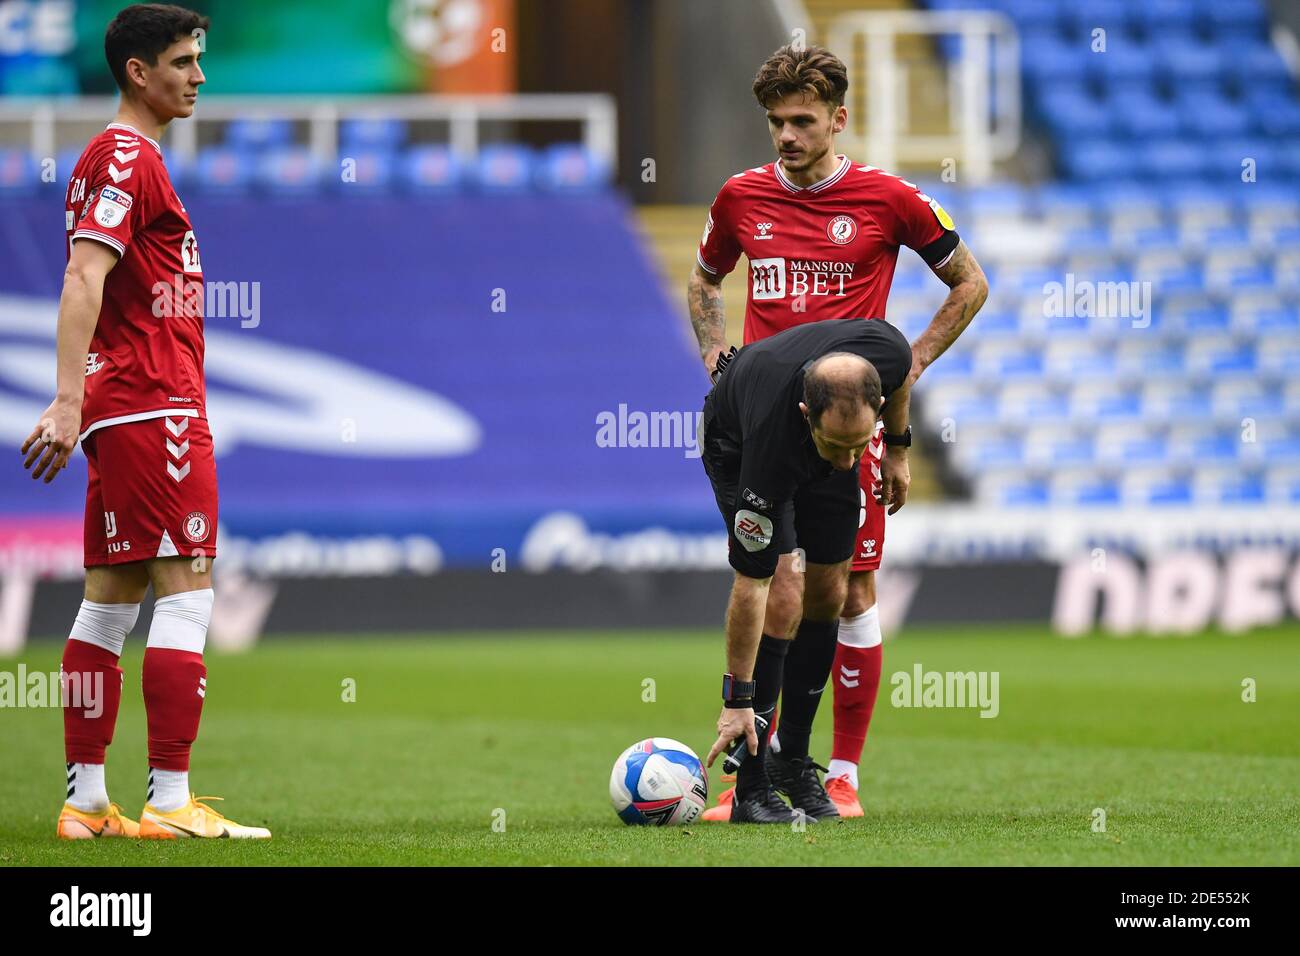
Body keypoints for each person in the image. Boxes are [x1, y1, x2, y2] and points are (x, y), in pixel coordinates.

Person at [688, 44, 988, 818]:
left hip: (846, 429)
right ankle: (760, 772)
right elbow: (704, 279)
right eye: (775, 123)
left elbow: (969, 282)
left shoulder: (890, 199)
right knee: (775, 583)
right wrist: (716, 354)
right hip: (768, 427)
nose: (786, 136)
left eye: (802, 121)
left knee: (848, 588)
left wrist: (906, 372)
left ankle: (836, 771)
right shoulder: (740, 198)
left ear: (838, 120)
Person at [21, 3, 269, 840]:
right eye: (183, 60)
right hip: (154, 404)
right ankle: (171, 800)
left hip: (122, 407)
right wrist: (65, 399)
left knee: (108, 602)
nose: (199, 75)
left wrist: (81, 403)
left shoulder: (113, 158)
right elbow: (83, 279)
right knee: (188, 589)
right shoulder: (127, 158)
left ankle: (86, 801)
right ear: (138, 71)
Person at [700, 318, 913, 823]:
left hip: (817, 437)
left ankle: (792, 760)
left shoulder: (887, 354)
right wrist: (736, 702)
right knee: (785, 592)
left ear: (874, 407)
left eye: (858, 446)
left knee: (829, 590)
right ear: (806, 414)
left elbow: (901, 379)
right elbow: (751, 588)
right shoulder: (771, 447)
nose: (849, 462)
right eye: (838, 447)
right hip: (739, 446)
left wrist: (897, 448)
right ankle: (751, 786)